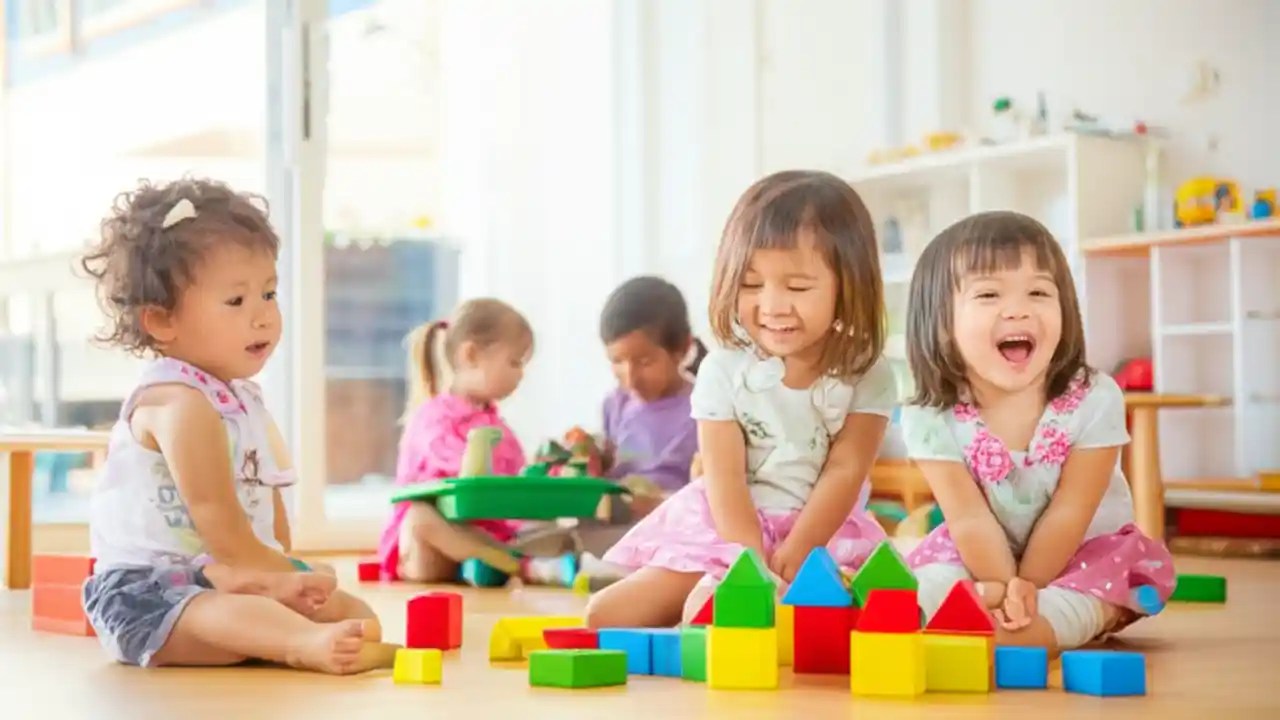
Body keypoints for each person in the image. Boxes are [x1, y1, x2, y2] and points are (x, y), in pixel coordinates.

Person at [79, 178, 390, 674]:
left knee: (358, 618)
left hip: (232, 577)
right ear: (161, 321)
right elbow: (219, 523)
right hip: (150, 597)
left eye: (268, 293)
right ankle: (295, 644)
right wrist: (279, 578)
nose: (264, 317)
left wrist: (291, 571)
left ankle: (282, 633)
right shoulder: (179, 404)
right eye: (237, 302)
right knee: (232, 612)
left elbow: (267, 508)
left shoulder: (241, 401)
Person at [585, 170, 898, 628]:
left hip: (821, 532)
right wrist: (749, 561)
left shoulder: (868, 372)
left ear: (848, 285)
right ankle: (713, 604)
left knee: (870, 620)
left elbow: (847, 469)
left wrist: (800, 548)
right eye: (752, 285)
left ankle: (726, 612)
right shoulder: (723, 370)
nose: (772, 305)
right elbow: (724, 476)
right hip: (728, 530)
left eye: (796, 287)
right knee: (605, 615)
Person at [900, 210, 1175, 654]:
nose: (1018, 309)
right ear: (940, 324)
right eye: (988, 294)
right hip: (979, 554)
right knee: (924, 586)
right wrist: (1003, 584)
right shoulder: (930, 415)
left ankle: (1022, 631)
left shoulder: (1095, 397)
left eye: (1039, 292)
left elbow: (1070, 511)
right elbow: (968, 518)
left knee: (1094, 594)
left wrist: (1028, 589)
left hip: (1082, 552)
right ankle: (960, 615)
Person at [377, 299, 576, 586]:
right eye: (514, 362)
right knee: (420, 516)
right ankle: (508, 562)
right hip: (428, 554)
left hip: (487, 534)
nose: (520, 374)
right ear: (471, 354)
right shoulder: (433, 417)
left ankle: (496, 561)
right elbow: (457, 465)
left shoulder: (498, 427)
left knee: (547, 528)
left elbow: (517, 481)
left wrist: (545, 472)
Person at [598, 275, 705, 521]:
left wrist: (658, 504)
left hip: (674, 533)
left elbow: (711, 498)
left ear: (683, 348)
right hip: (616, 533)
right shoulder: (615, 405)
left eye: (645, 362)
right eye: (617, 361)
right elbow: (608, 473)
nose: (630, 377)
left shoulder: (704, 412)